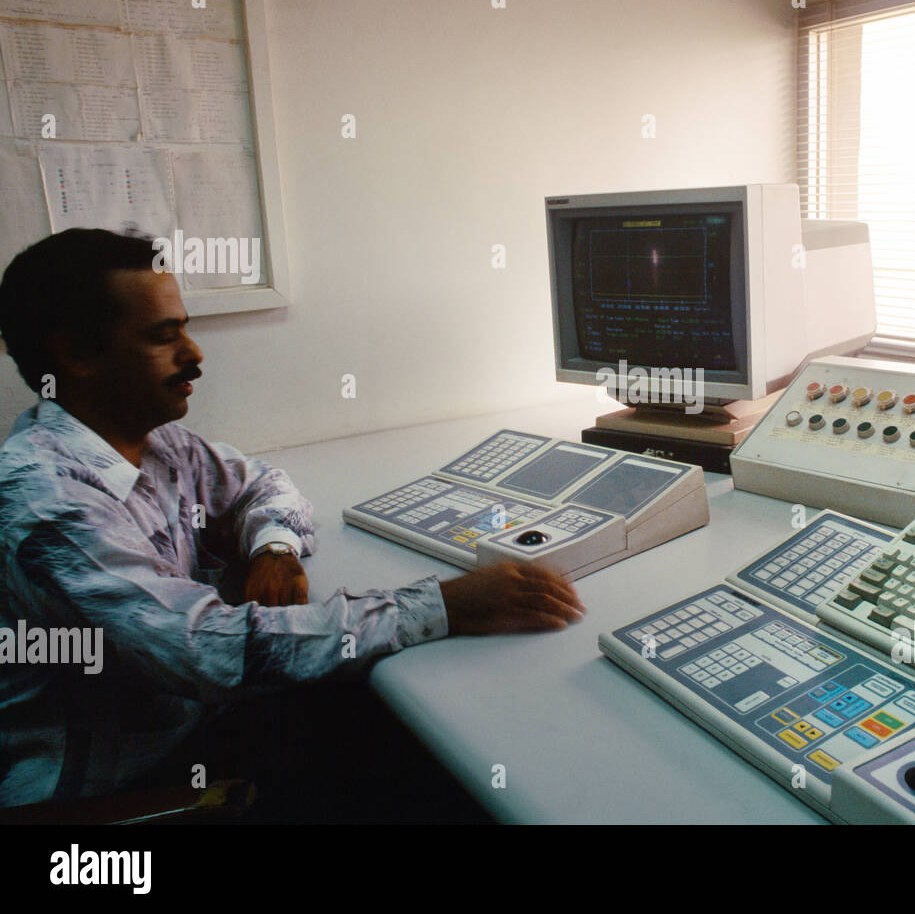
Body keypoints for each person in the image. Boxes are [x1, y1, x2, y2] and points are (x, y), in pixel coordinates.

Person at [0, 228, 584, 812]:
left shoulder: (152, 442)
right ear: (76, 356)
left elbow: (262, 483)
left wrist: (273, 547)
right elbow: (206, 651)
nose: (195, 356)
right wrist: (445, 605)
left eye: (186, 329)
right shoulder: (47, 503)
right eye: (163, 337)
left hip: (193, 723)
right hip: (124, 785)